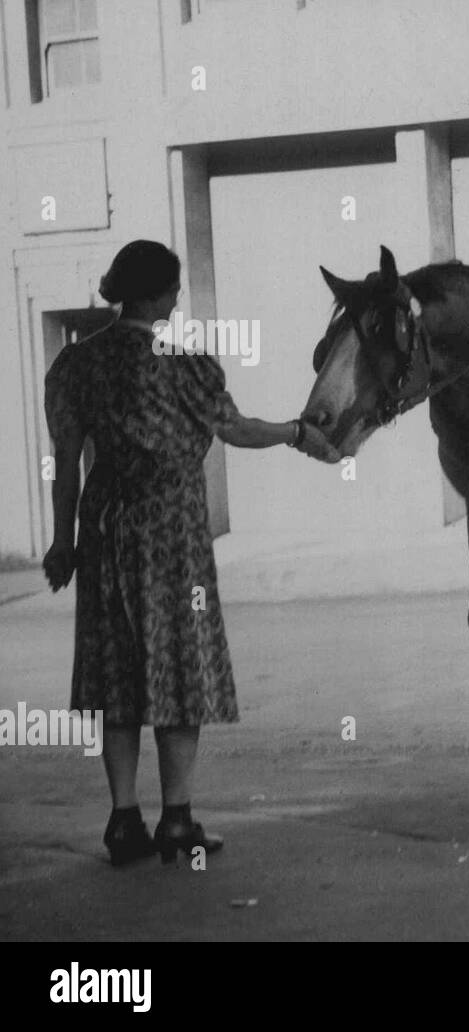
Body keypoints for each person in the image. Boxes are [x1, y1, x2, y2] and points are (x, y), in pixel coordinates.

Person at [42, 239, 339, 866]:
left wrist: (61, 543)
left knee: (115, 672)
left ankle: (124, 821)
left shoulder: (75, 366)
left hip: (103, 531)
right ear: (155, 293)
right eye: (174, 289)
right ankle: (177, 821)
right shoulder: (186, 365)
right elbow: (234, 429)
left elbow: (66, 465)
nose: (178, 300)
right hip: (172, 532)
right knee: (180, 666)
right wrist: (294, 432)